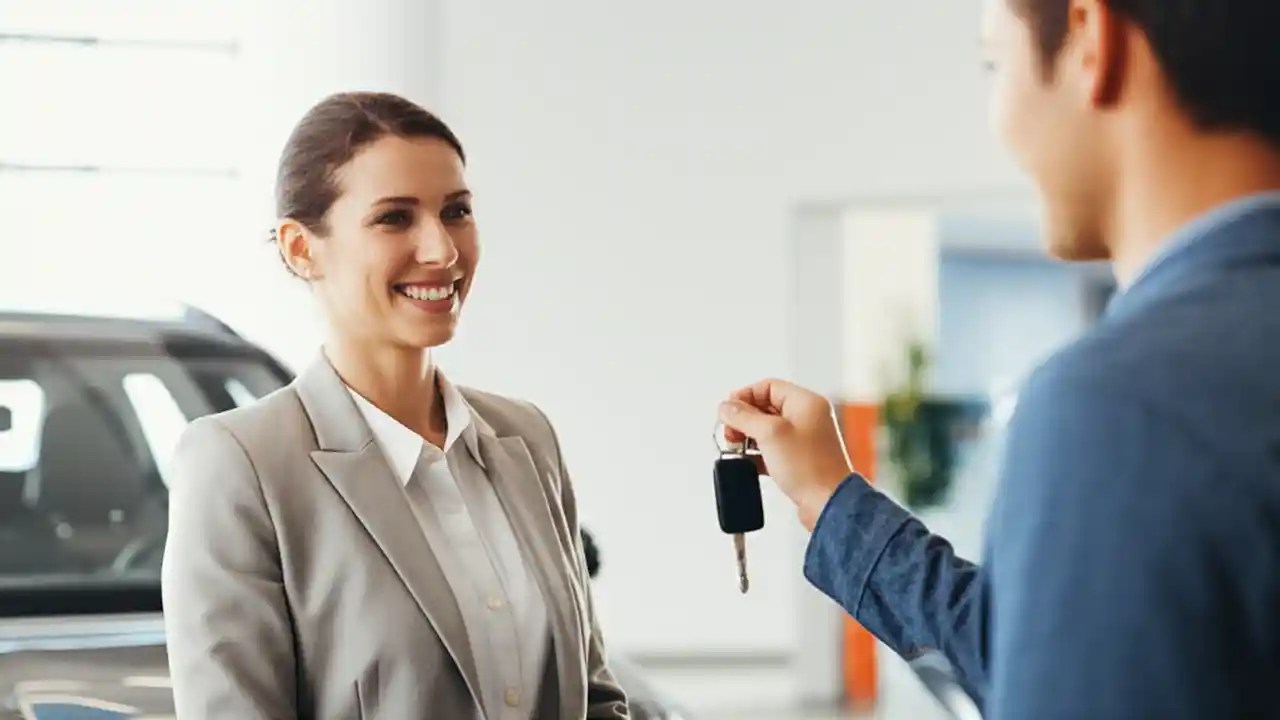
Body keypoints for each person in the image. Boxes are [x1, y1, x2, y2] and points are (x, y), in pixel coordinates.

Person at [719, 0, 1280, 717]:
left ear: (1089, 38)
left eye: (995, 63)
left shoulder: (1122, 406)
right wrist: (831, 499)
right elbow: (1032, 652)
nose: (998, 117)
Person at [161, 92, 629, 719]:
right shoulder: (243, 464)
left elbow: (594, 697)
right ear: (301, 248)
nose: (442, 250)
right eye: (394, 219)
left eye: (456, 211)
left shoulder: (528, 438)